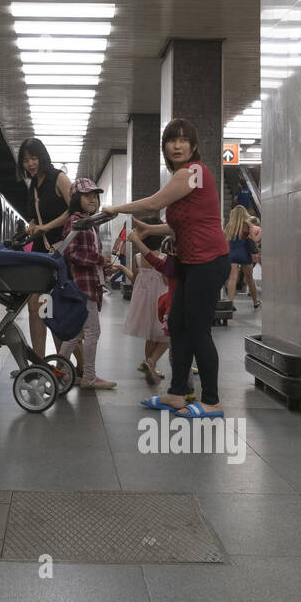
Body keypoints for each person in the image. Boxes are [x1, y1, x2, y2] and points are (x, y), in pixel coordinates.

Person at [102, 118, 230, 419]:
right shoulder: (185, 176)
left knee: (197, 330)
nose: (177, 145)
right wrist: (151, 229)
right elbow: (181, 221)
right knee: (178, 325)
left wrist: (116, 208)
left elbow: (155, 201)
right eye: (172, 140)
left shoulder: (194, 172)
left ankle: (211, 401)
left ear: (194, 145)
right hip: (189, 261)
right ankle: (176, 394)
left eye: (184, 140)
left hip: (208, 261)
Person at [57, 179, 116, 389]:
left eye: (95, 195)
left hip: (89, 283)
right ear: (75, 199)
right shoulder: (76, 221)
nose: (93, 199)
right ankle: (89, 377)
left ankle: (59, 372)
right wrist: (99, 260)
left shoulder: (90, 223)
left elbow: (87, 255)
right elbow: (71, 253)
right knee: (92, 331)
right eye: (87, 195)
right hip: (82, 286)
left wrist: (103, 267)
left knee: (76, 333)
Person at [17, 138, 73, 360]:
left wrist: (46, 226)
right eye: (25, 160)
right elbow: (35, 216)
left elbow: (75, 210)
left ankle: (62, 362)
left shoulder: (59, 178)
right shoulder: (33, 186)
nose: (30, 163)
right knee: (36, 306)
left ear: (43, 156)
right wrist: (32, 225)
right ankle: (40, 360)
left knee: (53, 306)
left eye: (34, 157)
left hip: (61, 249)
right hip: (42, 250)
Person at [116, 231, 170, 387]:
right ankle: (151, 362)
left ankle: (151, 367)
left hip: (143, 302)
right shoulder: (163, 259)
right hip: (160, 300)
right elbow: (167, 281)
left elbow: (134, 279)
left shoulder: (138, 258)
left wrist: (121, 267)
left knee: (150, 335)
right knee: (167, 336)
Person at [224, 205, 261, 309]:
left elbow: (225, 240)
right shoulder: (248, 226)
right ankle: (255, 302)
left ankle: (230, 303)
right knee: (249, 279)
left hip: (232, 254)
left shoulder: (229, 226)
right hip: (244, 254)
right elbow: (252, 241)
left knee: (232, 279)